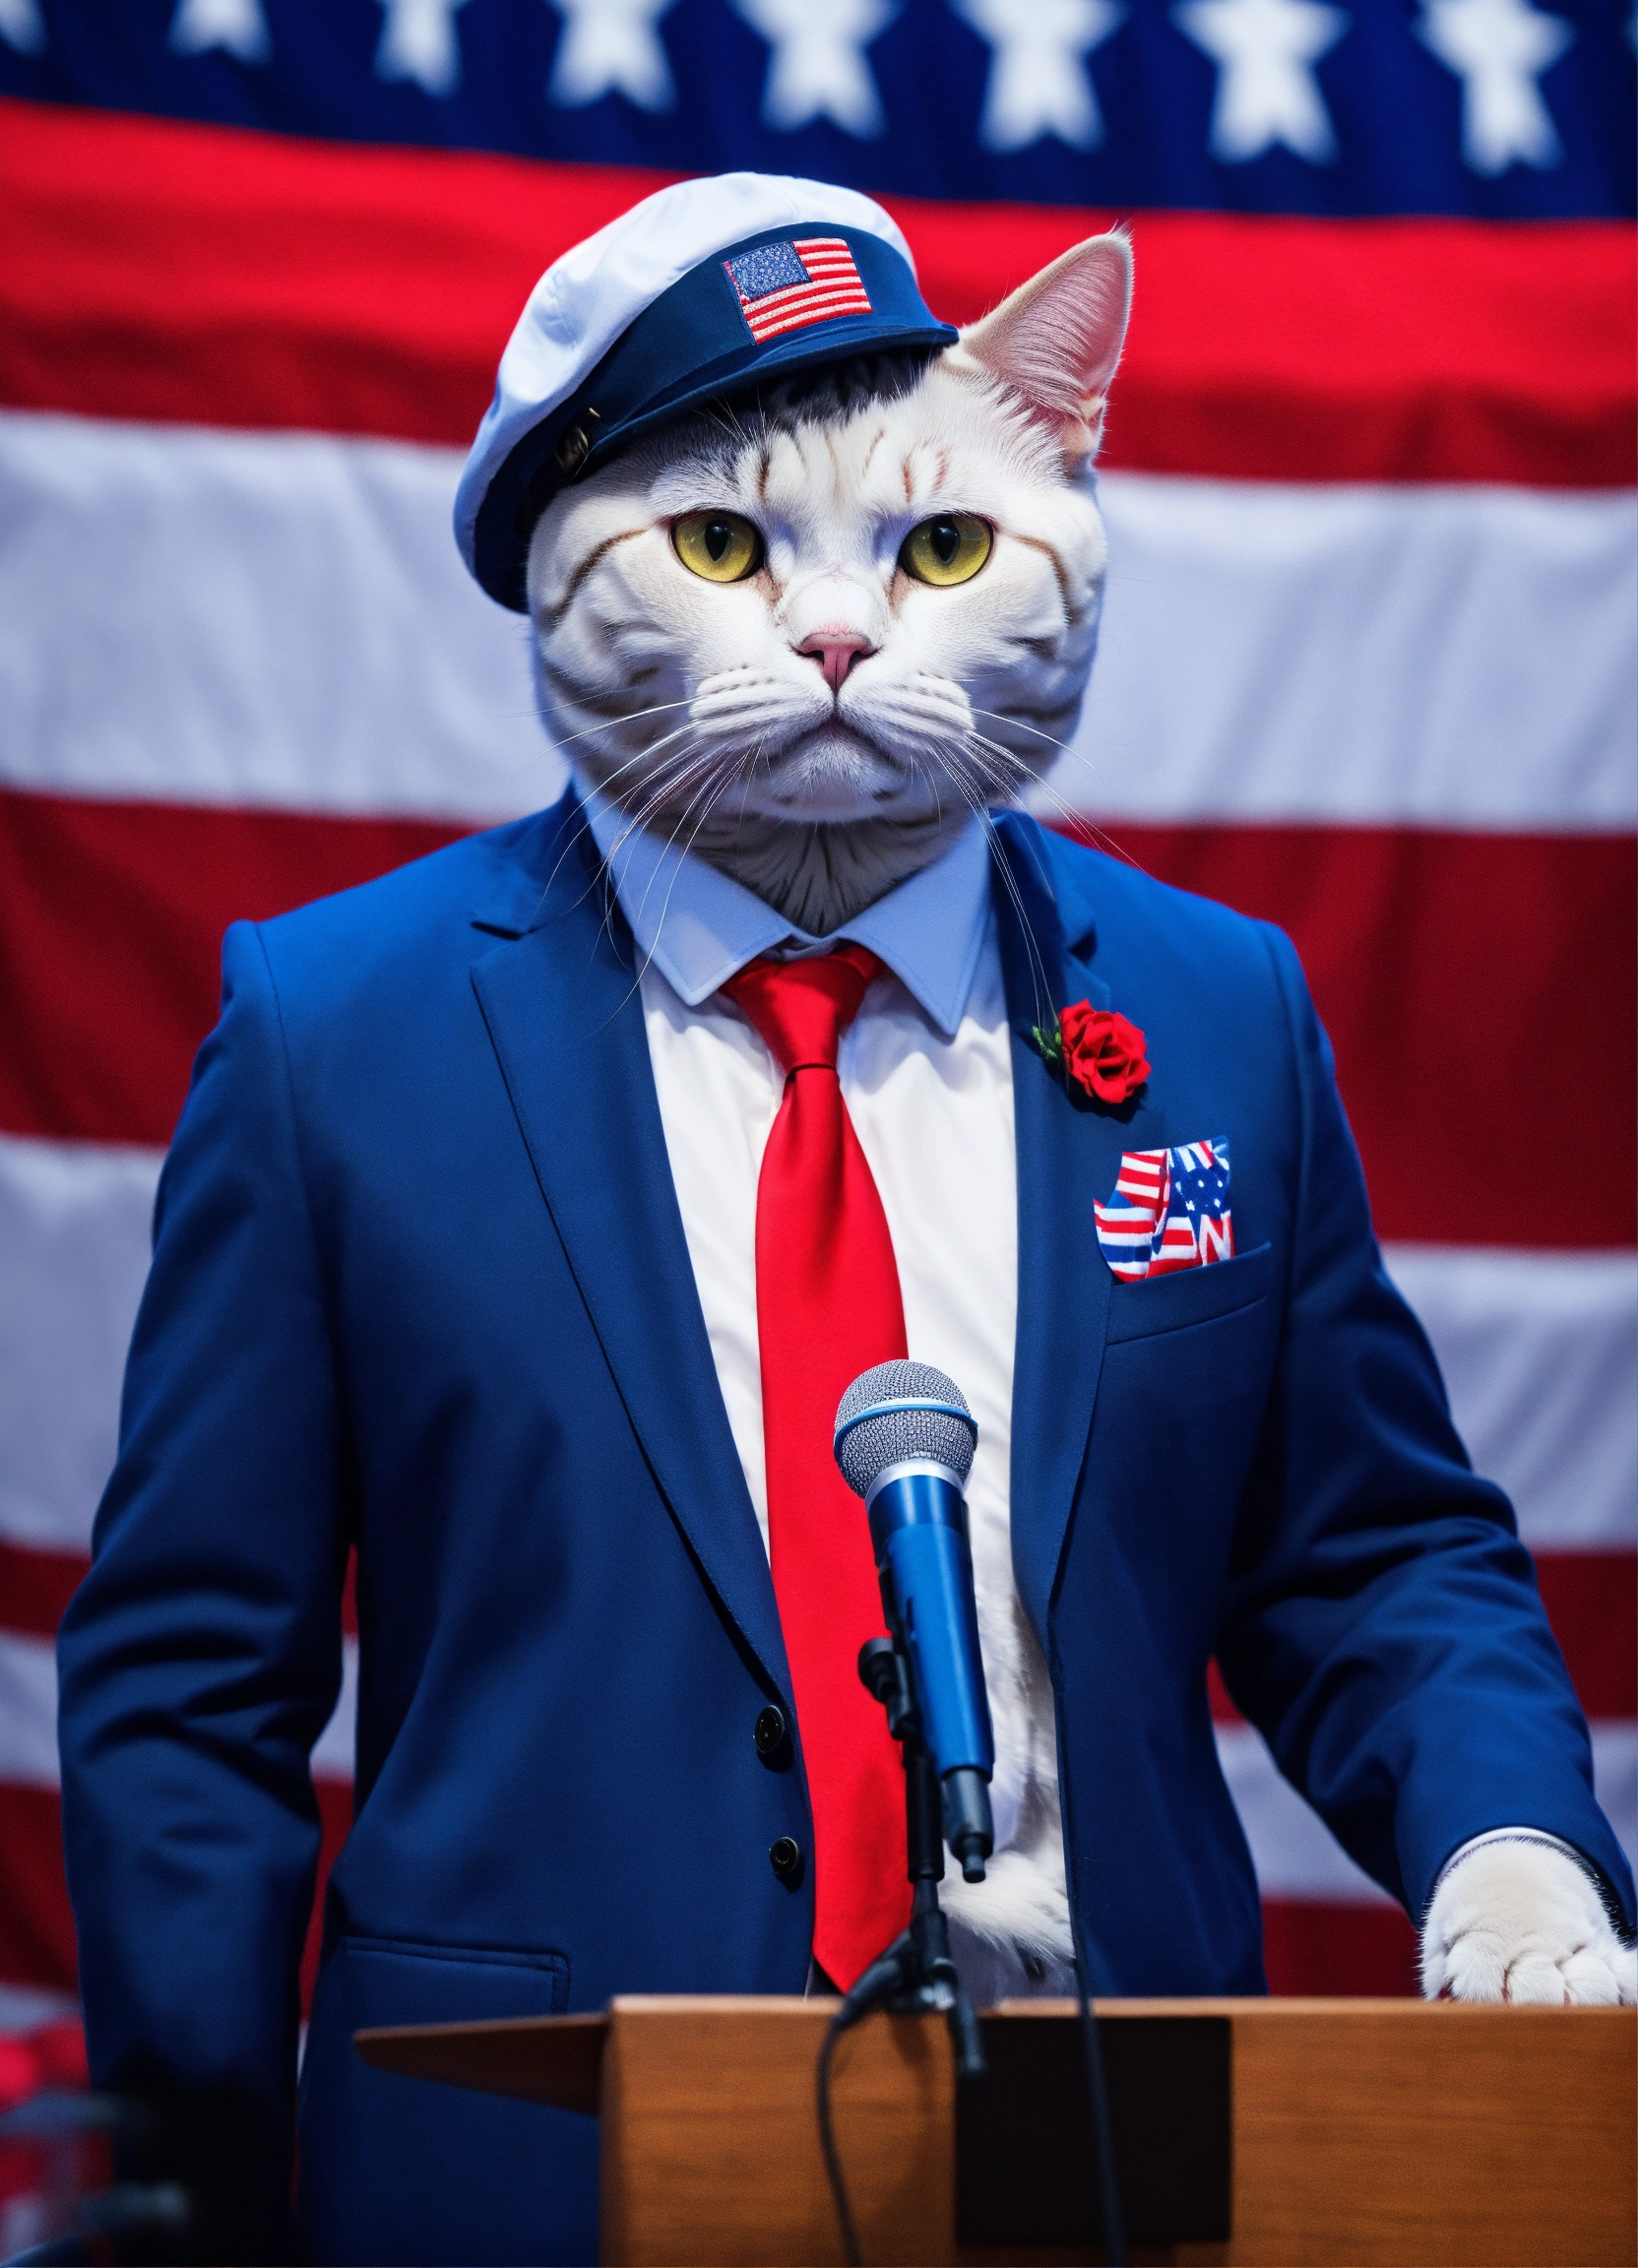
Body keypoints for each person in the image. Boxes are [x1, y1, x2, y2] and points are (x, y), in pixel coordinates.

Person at [57, 173, 1634, 2267]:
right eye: (721, 541)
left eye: (936, 544)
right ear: (554, 559)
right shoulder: (335, 1035)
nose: (833, 632)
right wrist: (193, 2187)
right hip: (512, 2179)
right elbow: (191, 1686)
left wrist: (1510, 1849)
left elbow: (1367, 1555)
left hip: (1108, 2160)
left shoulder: (1215, 1011)